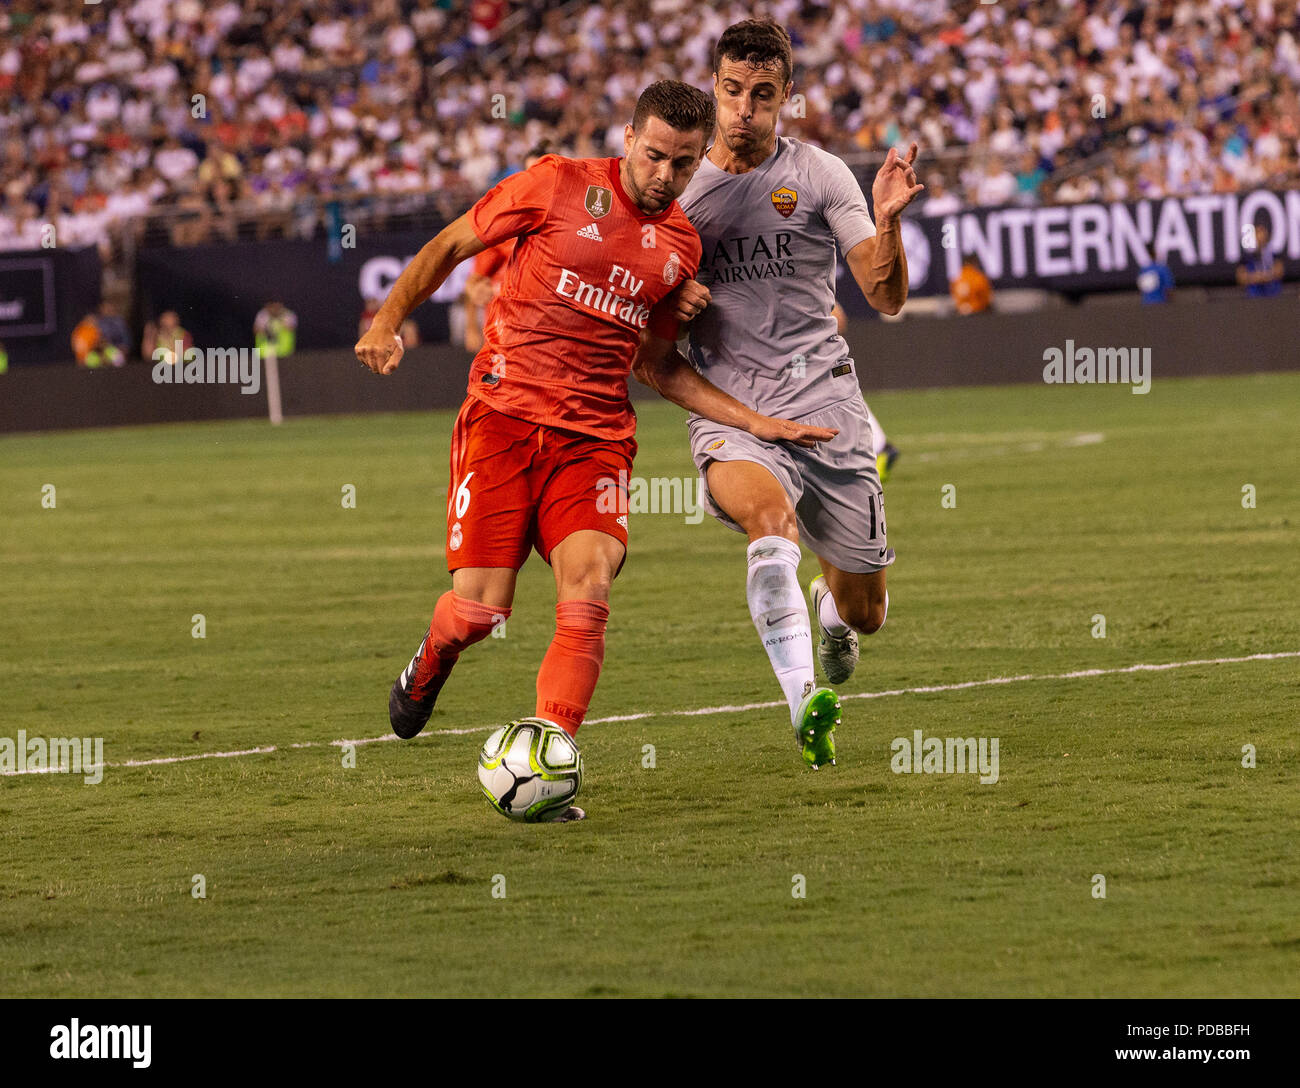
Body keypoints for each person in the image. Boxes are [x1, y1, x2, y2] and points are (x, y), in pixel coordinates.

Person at [354, 80, 829, 820]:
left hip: (595, 441)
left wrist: (755, 422)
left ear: (698, 158)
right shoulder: (555, 183)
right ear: (628, 139)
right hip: (503, 422)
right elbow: (452, 243)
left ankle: (549, 759)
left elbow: (660, 365)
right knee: (481, 612)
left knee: (589, 590)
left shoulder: (681, 247)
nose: (663, 176)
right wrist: (387, 320)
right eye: (652, 156)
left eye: (681, 163)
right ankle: (433, 657)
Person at [634, 20, 922, 770]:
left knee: (870, 611)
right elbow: (648, 345)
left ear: (787, 97)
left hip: (827, 405)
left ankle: (832, 612)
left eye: (763, 95)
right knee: (770, 521)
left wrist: (888, 226)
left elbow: (886, 295)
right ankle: (804, 706)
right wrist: (671, 300)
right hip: (735, 411)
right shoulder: (678, 189)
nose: (743, 110)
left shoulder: (823, 174)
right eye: (731, 92)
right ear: (714, 89)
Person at [462, 141, 553, 355]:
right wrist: (471, 328)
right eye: (532, 173)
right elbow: (474, 282)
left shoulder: (576, 226)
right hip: (505, 336)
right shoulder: (505, 225)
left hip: (551, 336)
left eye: (545, 174)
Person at [832, 301, 900, 482]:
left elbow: (838, 319)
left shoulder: (805, 284)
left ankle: (879, 447)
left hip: (816, 353)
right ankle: (879, 447)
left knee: (840, 393)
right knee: (839, 393)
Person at [1236, 222, 1284, 298]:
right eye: (1257, 232)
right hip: (1254, 298)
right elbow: (1241, 278)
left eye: (1262, 232)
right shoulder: (1247, 258)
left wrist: (1262, 277)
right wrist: (1257, 277)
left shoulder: (1274, 256)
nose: (1260, 236)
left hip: (1273, 296)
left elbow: (1279, 272)